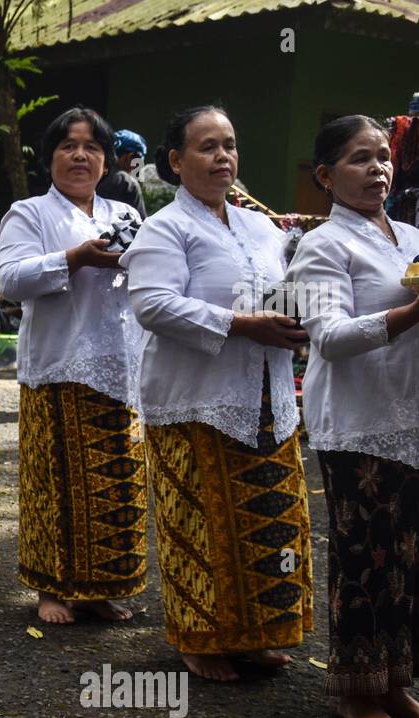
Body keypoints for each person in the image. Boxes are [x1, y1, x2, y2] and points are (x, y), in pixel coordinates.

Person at [287, 115, 419, 718]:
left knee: (417, 555)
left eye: (382, 156)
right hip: (361, 424)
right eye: (357, 158)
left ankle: (397, 685)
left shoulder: (409, 237)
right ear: (325, 176)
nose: (377, 168)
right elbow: (334, 339)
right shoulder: (323, 245)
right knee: (366, 558)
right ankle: (355, 693)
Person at [120, 106, 313, 682]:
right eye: (207, 147)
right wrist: (241, 323)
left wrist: (299, 311)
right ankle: (199, 639)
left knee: (269, 516)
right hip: (194, 398)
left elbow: (288, 292)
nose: (222, 157)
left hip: (267, 394)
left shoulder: (263, 227)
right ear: (176, 161)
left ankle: (254, 635)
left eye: (229, 145)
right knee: (198, 521)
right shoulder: (164, 227)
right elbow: (152, 304)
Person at [0, 107, 148, 625]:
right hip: (58, 366)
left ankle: (100, 586)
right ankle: (51, 588)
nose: (80, 155)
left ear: (106, 162)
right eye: (68, 145)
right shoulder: (29, 213)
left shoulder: (125, 218)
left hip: (121, 367)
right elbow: (11, 279)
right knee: (55, 483)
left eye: (91, 147)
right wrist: (75, 258)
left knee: (115, 482)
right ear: (50, 158)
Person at [95, 128, 148, 219]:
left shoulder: (92, 175)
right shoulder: (126, 182)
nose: (137, 168)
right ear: (130, 157)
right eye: (138, 162)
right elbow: (142, 226)